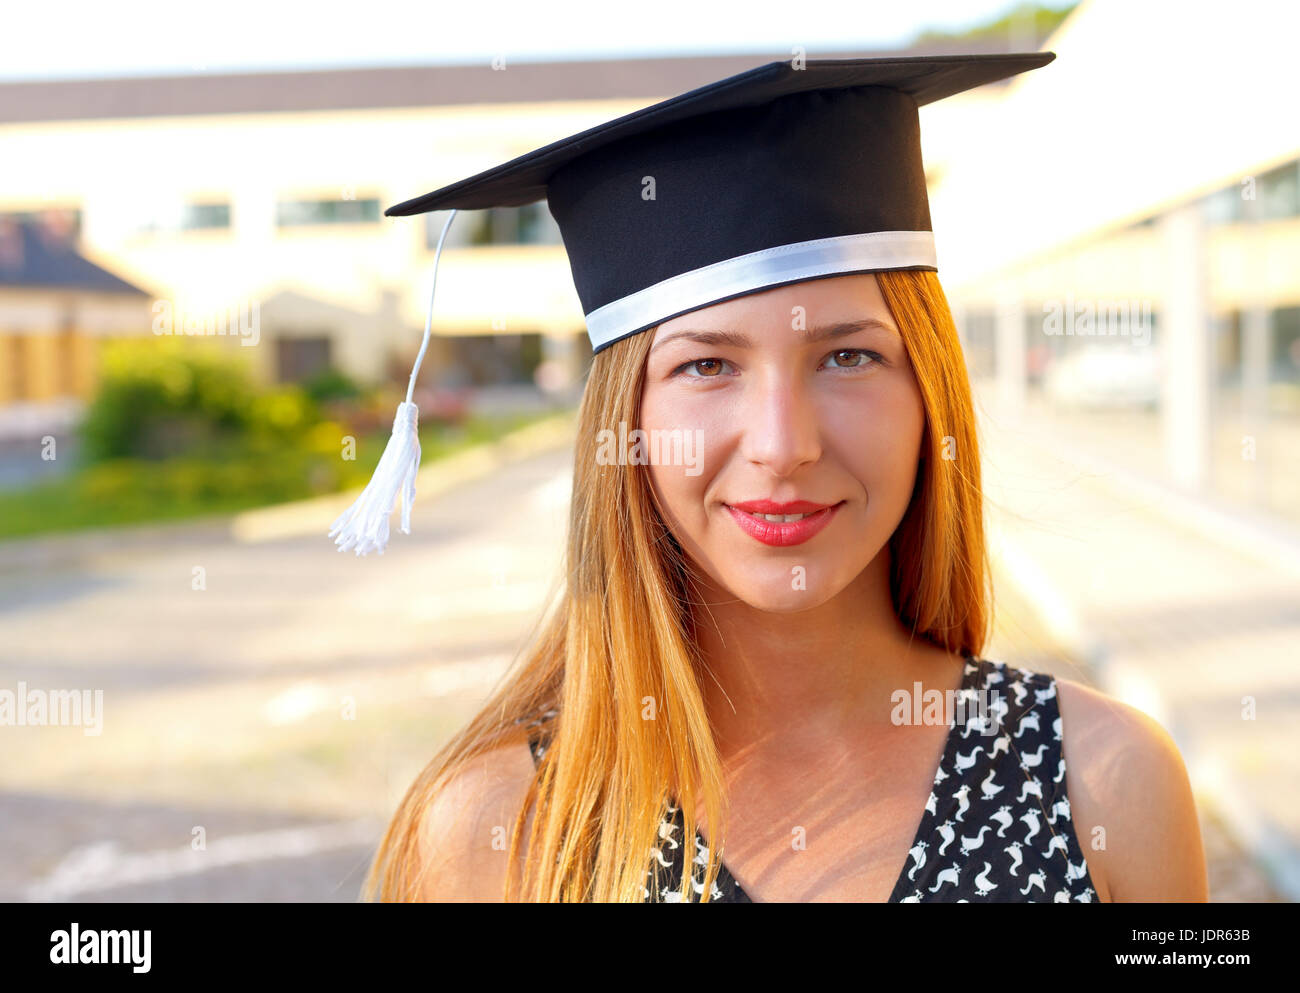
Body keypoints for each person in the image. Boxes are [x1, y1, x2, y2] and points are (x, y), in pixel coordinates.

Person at [360, 53, 1208, 902]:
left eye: (848, 356)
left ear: (929, 393)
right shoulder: (508, 830)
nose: (782, 444)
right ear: (628, 422)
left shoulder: (1106, 782)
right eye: (706, 367)